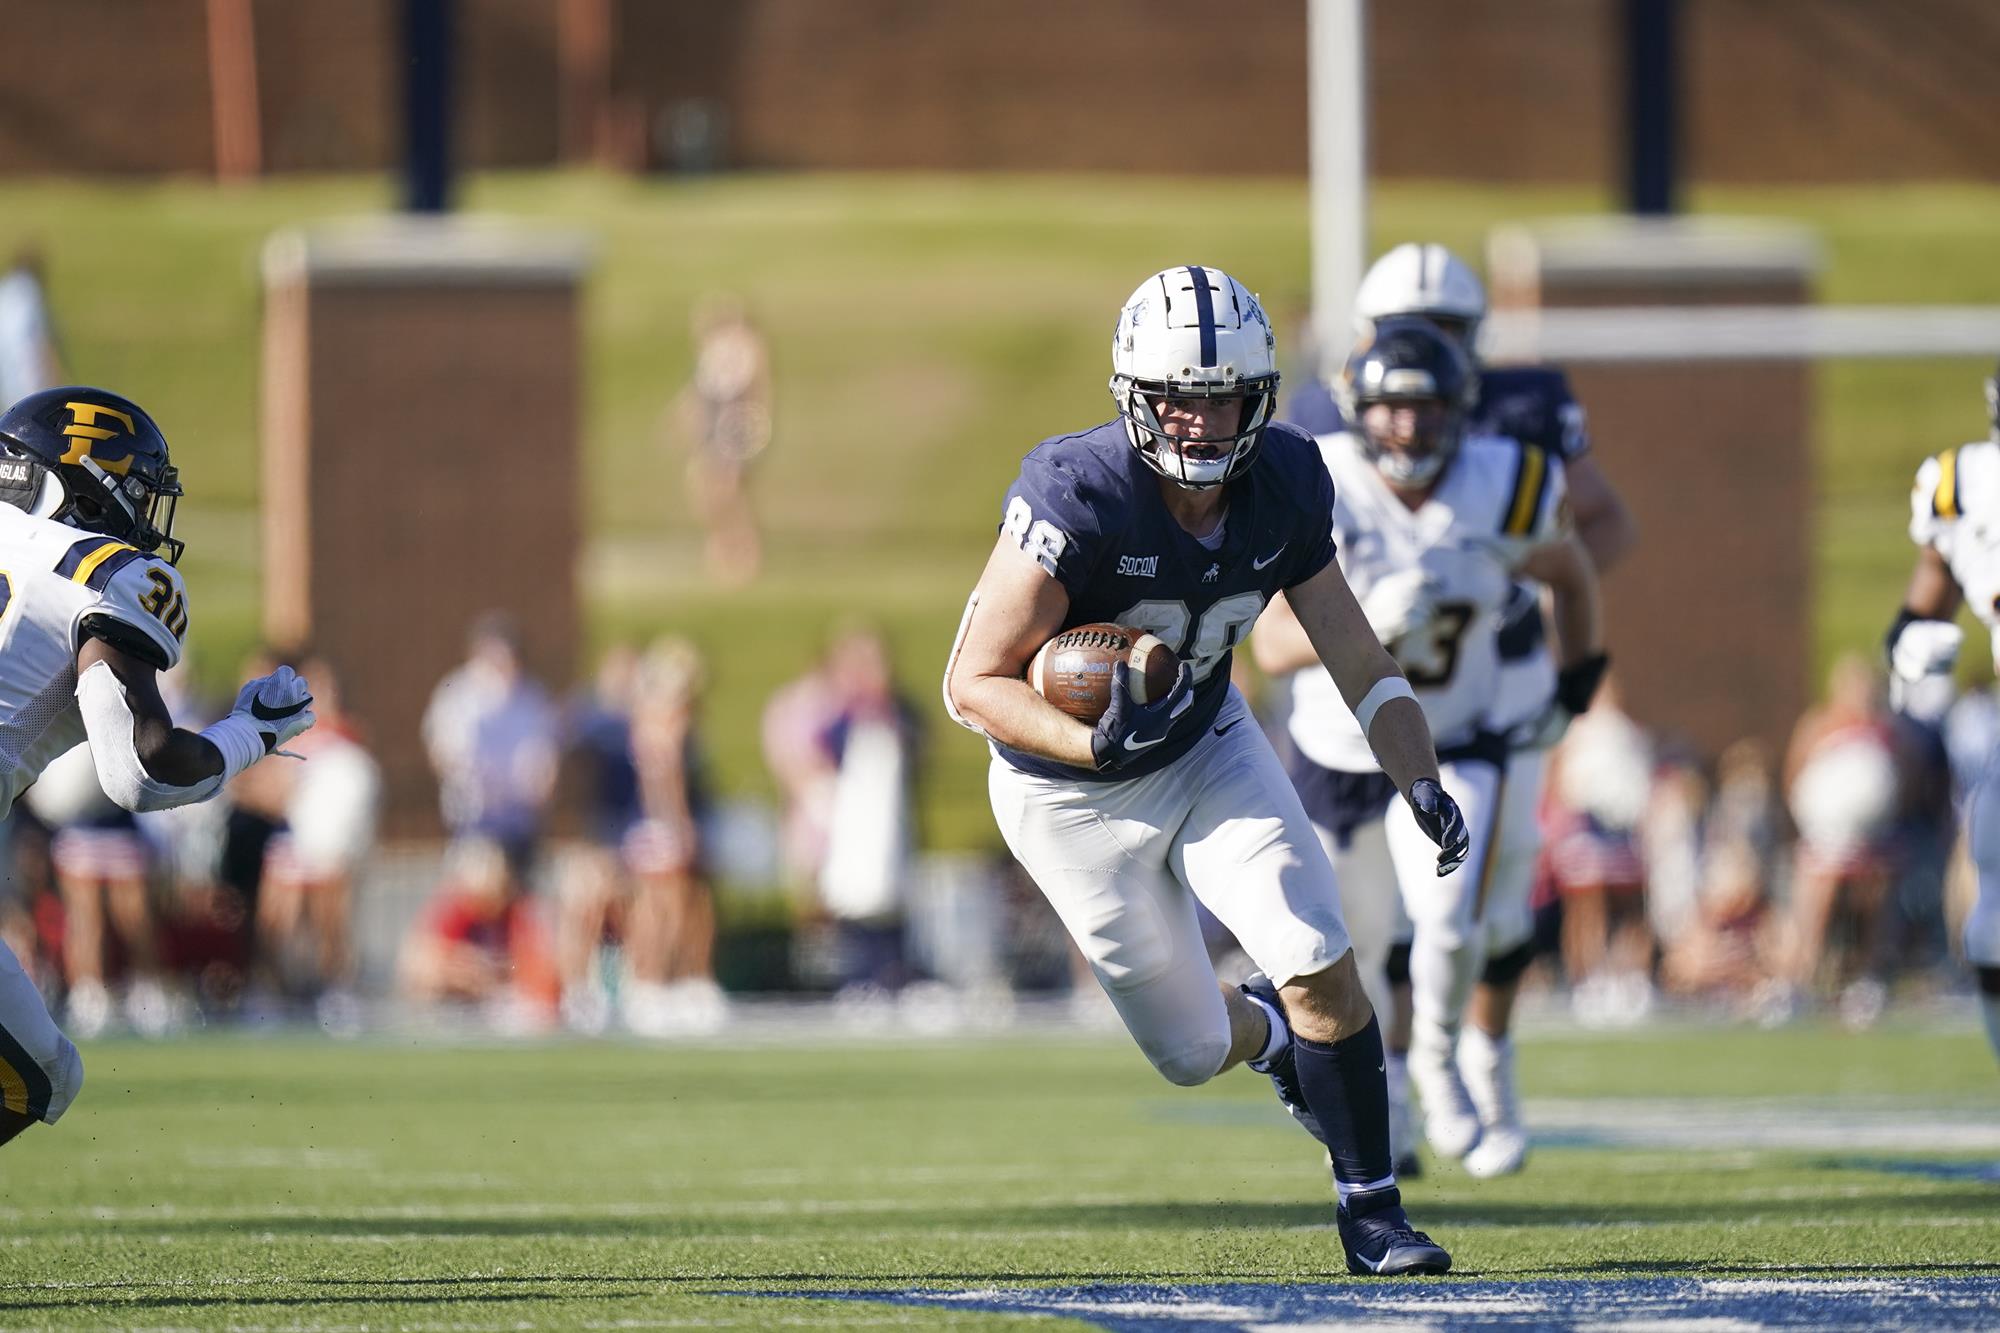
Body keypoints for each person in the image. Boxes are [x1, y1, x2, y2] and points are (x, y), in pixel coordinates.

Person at [944, 265, 1469, 1276]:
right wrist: (1090, 741)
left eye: (1216, 394)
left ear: (1256, 395)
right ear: (1135, 397)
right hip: (1061, 792)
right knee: (1188, 1051)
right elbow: (970, 681)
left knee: (1318, 947)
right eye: (1175, 396)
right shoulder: (1078, 490)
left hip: (1203, 743)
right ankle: (1271, 1037)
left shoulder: (1286, 479)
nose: (1194, 421)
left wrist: (1418, 777)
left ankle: (1372, 1212)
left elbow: (1357, 656)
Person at [1287, 242, 1634, 1173]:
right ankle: (1388, 1090)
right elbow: (1269, 635)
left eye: (1441, 353)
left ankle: (1452, 1061)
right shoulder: (1312, 463)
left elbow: (1576, 555)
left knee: (1466, 909)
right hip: (1338, 738)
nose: (1407, 419)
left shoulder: (1509, 470)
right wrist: (1360, 627)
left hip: (1473, 719)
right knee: (1350, 942)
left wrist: (1574, 670)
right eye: (1390, 391)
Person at [0, 386, 314, 1149]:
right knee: (37, 1075)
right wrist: (252, 732)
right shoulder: (102, 569)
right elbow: (139, 767)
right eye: (139, 491)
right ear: (89, 481)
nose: (145, 515)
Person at [665, 294, 771, 586]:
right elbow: (700, 394)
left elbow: (750, 392)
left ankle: (742, 553)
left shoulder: (743, 349)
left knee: (728, 493)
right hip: (715, 432)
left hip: (733, 431)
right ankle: (724, 548)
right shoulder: (715, 352)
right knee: (707, 490)